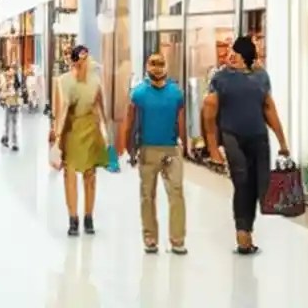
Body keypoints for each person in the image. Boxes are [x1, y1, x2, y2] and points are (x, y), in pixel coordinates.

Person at [203, 35, 290, 255]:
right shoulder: (221, 78)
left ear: (247, 55)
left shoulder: (261, 76)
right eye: (231, 51)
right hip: (233, 136)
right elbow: (209, 114)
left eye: (236, 52)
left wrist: (282, 141)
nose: (231, 55)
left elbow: (269, 108)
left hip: (258, 137)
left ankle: (248, 229)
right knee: (242, 183)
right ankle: (242, 233)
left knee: (260, 186)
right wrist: (213, 148)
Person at [119, 53, 187, 254]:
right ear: (147, 66)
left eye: (161, 64)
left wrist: (186, 144)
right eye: (153, 64)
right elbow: (129, 122)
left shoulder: (176, 93)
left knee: (176, 193)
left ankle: (177, 239)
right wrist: (128, 149)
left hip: (172, 150)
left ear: (166, 66)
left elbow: (181, 120)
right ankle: (150, 238)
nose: (157, 68)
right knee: (147, 195)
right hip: (147, 149)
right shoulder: (138, 94)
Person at [50, 45, 106, 237]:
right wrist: (56, 136)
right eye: (83, 60)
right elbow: (59, 110)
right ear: (75, 61)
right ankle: (73, 218)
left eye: (87, 60)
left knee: (90, 175)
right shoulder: (63, 81)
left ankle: (88, 216)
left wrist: (107, 133)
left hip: (91, 128)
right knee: (70, 174)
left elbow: (100, 106)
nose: (87, 64)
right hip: (71, 129)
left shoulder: (95, 80)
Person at [0, 63, 23, 151]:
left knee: (11, 122)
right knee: (10, 122)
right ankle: (10, 140)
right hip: (10, 102)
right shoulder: (6, 78)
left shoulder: (12, 78)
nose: (12, 72)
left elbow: (17, 89)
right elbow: (2, 90)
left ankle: (9, 139)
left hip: (12, 102)